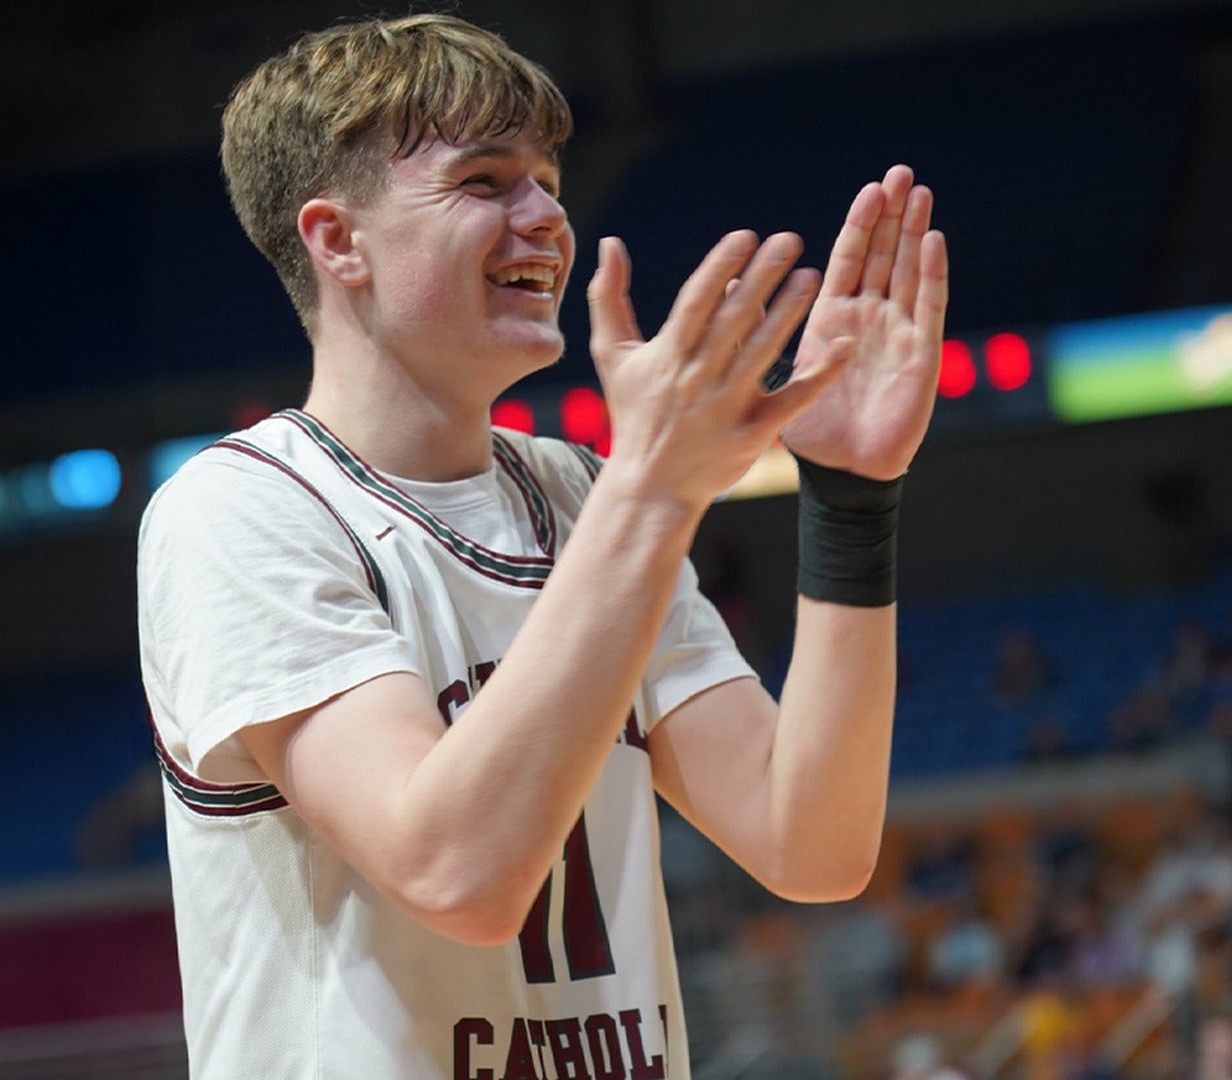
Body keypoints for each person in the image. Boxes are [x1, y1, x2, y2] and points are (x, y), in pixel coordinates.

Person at [136, 13, 946, 1078]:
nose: (547, 217)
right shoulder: (242, 511)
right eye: (485, 182)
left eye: (549, 180)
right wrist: (653, 494)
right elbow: (455, 873)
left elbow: (813, 844)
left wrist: (848, 497)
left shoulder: (581, 494)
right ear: (338, 241)